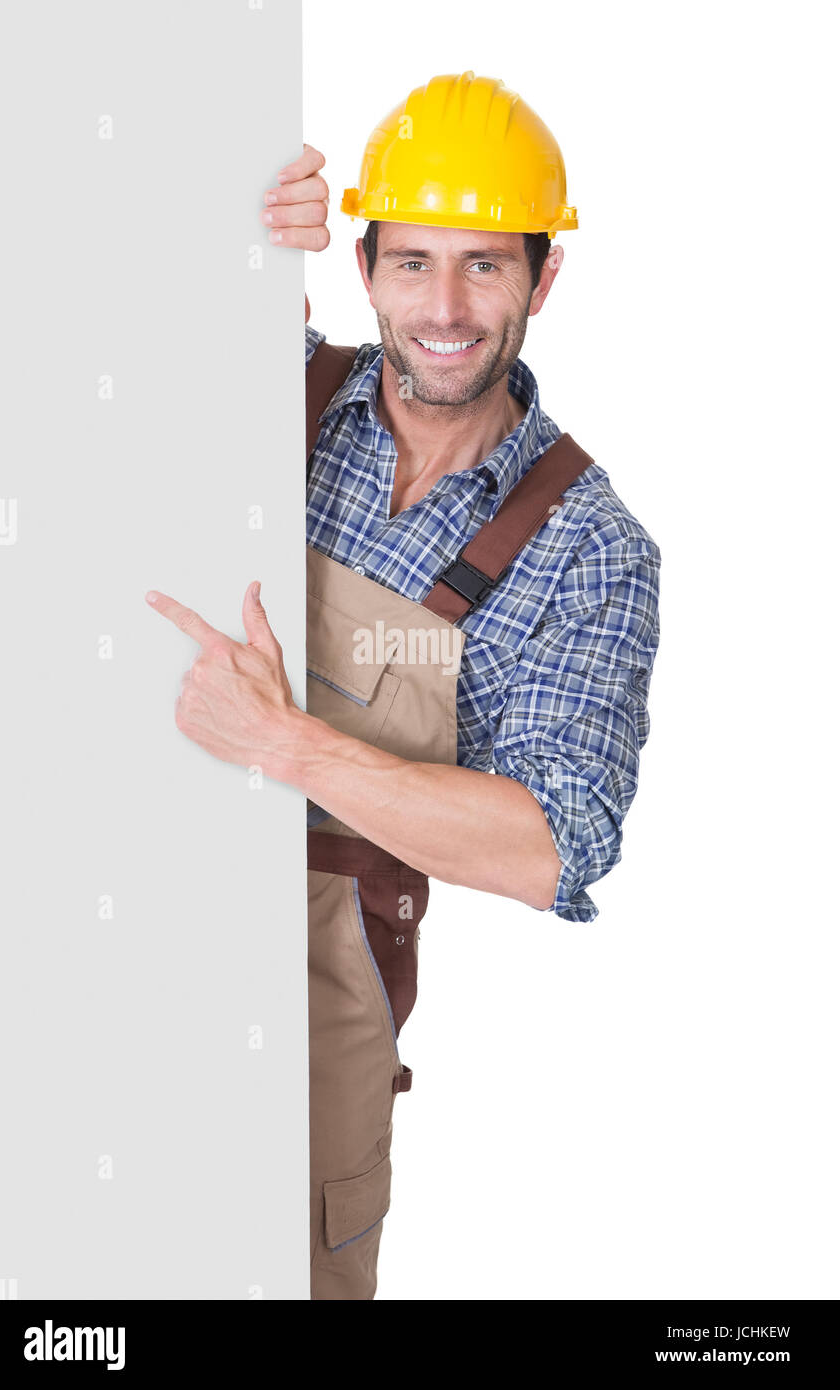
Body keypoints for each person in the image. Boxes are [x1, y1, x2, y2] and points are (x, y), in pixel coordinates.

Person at [147, 71, 661, 1300]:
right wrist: (220, 220)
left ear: (543, 281)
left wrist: (291, 745)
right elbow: (80, 329)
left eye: (485, 267)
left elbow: (556, 843)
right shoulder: (268, 390)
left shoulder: (588, 548)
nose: (443, 307)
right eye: (412, 263)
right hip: (125, 939)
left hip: (312, 1050)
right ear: (363, 266)